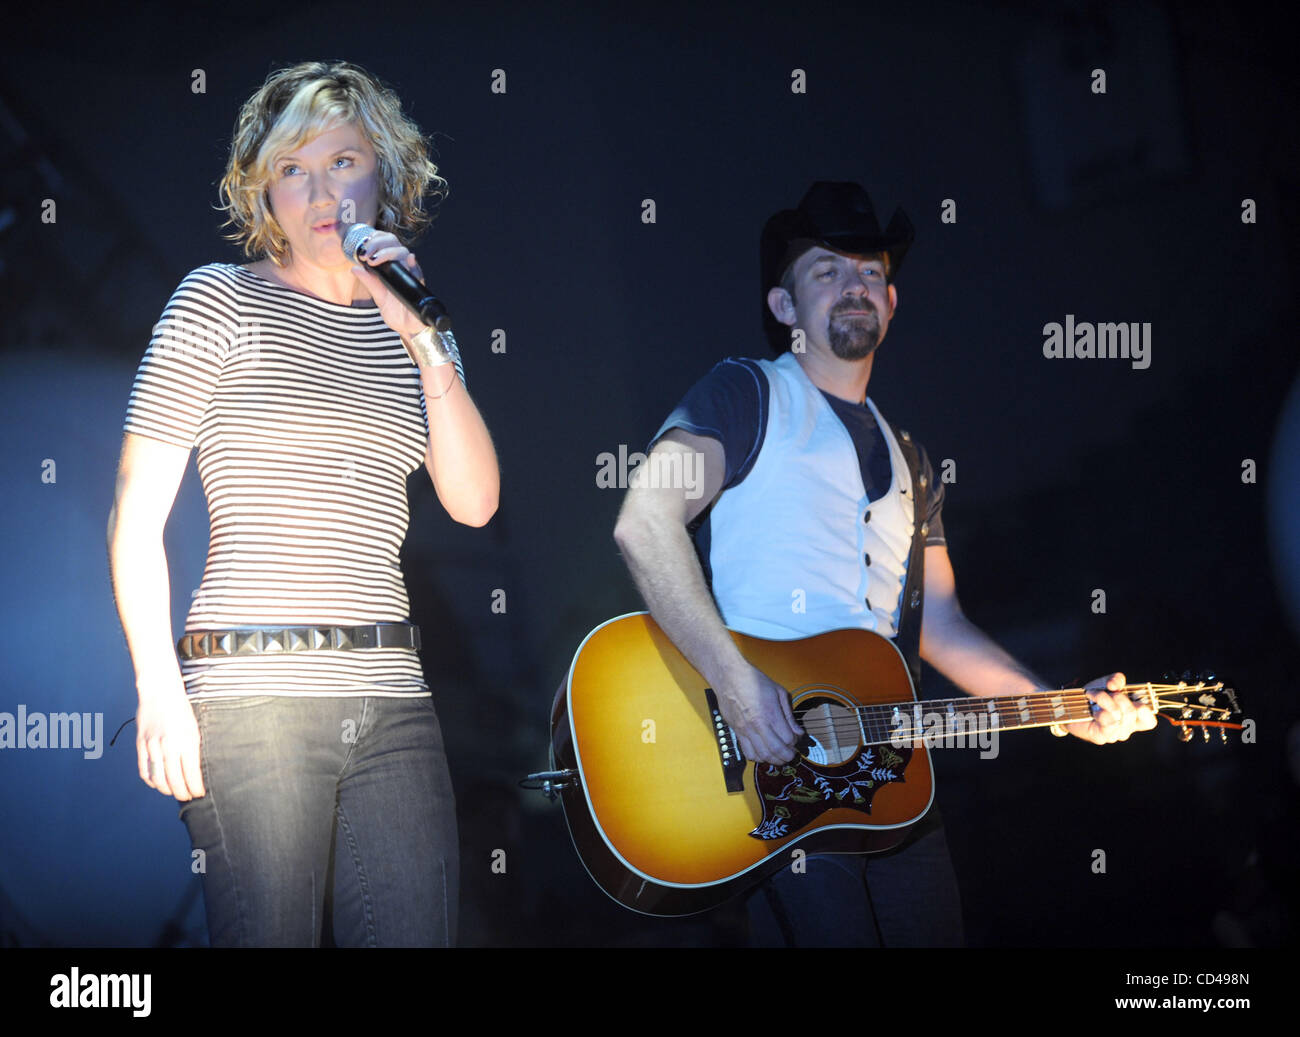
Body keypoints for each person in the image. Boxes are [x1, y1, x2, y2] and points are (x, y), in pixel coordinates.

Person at [611, 180, 1156, 947]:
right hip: (769, 776)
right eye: (826, 269)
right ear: (784, 306)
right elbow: (643, 522)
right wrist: (734, 682)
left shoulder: (914, 464)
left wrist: (1062, 706)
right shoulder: (743, 394)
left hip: (894, 783)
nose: (854, 284)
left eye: (870, 271)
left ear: (892, 303)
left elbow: (943, 627)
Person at [106, 60, 499, 947]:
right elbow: (135, 514)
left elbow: (474, 501)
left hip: (392, 696)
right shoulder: (217, 301)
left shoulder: (413, 323)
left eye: (342, 162)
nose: (321, 193)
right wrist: (158, 687)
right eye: (293, 169)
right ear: (264, 192)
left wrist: (425, 344)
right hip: (253, 697)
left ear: (384, 172)